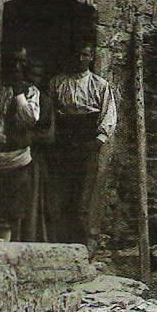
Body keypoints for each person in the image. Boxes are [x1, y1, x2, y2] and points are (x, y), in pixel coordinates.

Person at [48, 42, 117, 245]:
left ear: (91, 58)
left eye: (85, 55)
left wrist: (98, 141)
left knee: (82, 202)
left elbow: (109, 115)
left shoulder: (100, 85)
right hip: (64, 146)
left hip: (87, 146)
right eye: (77, 54)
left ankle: (82, 248)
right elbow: (51, 113)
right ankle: (60, 247)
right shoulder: (58, 83)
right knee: (61, 197)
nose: (80, 59)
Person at [0, 47, 41, 241]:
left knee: (10, 216)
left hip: (17, 163)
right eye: (13, 61)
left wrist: (19, 93)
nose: (17, 67)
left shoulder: (29, 92)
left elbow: (29, 120)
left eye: (22, 62)